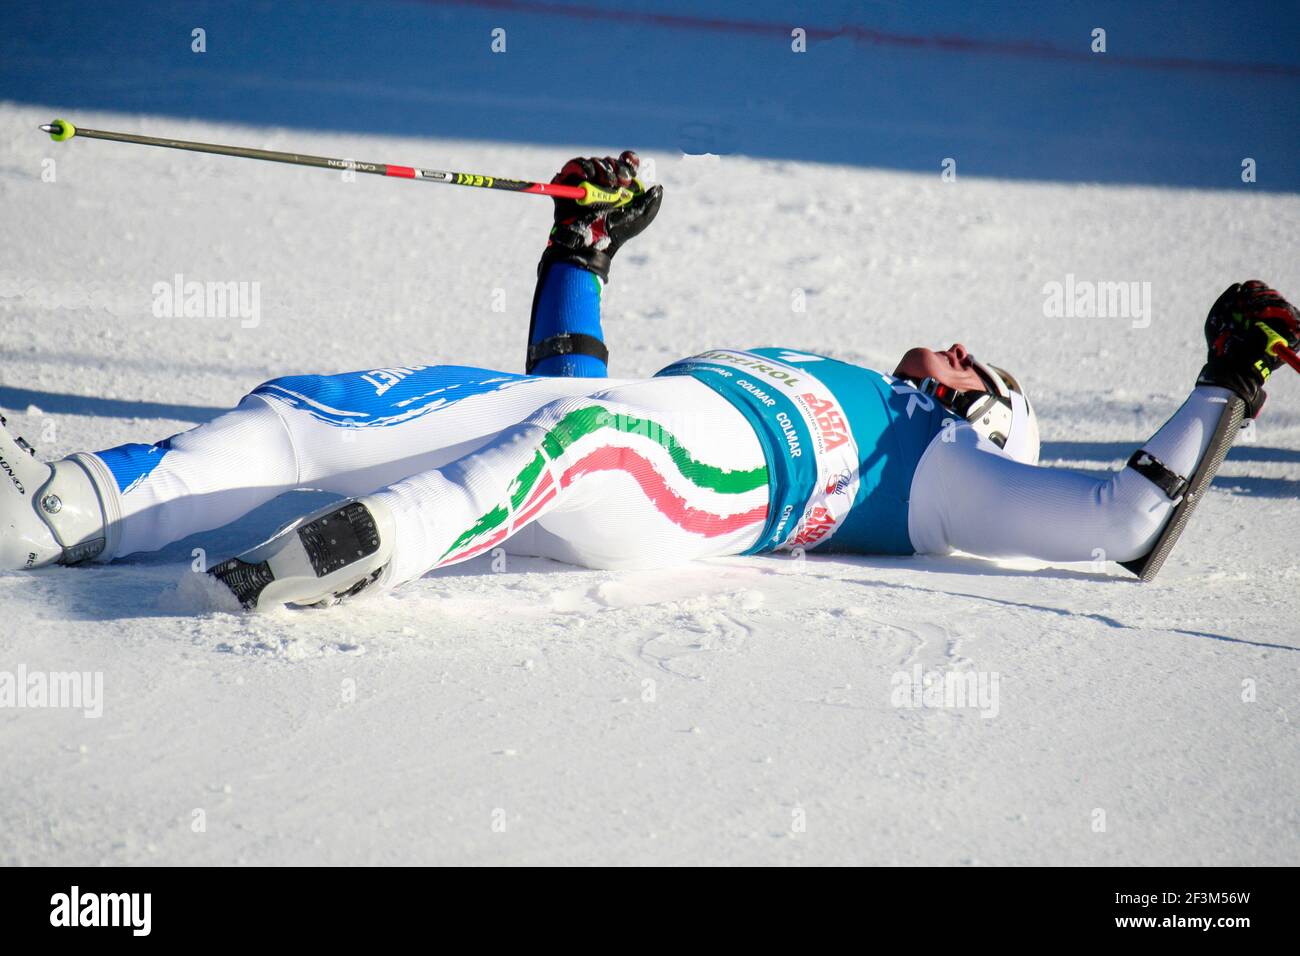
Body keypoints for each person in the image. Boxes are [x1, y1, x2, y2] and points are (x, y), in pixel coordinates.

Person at [1, 152, 1295, 609]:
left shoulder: (945, 471)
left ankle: (365, 547)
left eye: (974, 363)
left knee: (588, 438)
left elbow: (1125, 522)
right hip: (601, 432)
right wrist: (581, 248)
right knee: (326, 408)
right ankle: (71, 506)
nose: (951, 347)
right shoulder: (826, 372)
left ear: (987, 411)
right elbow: (566, 377)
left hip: (701, 486)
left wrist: (1227, 380)